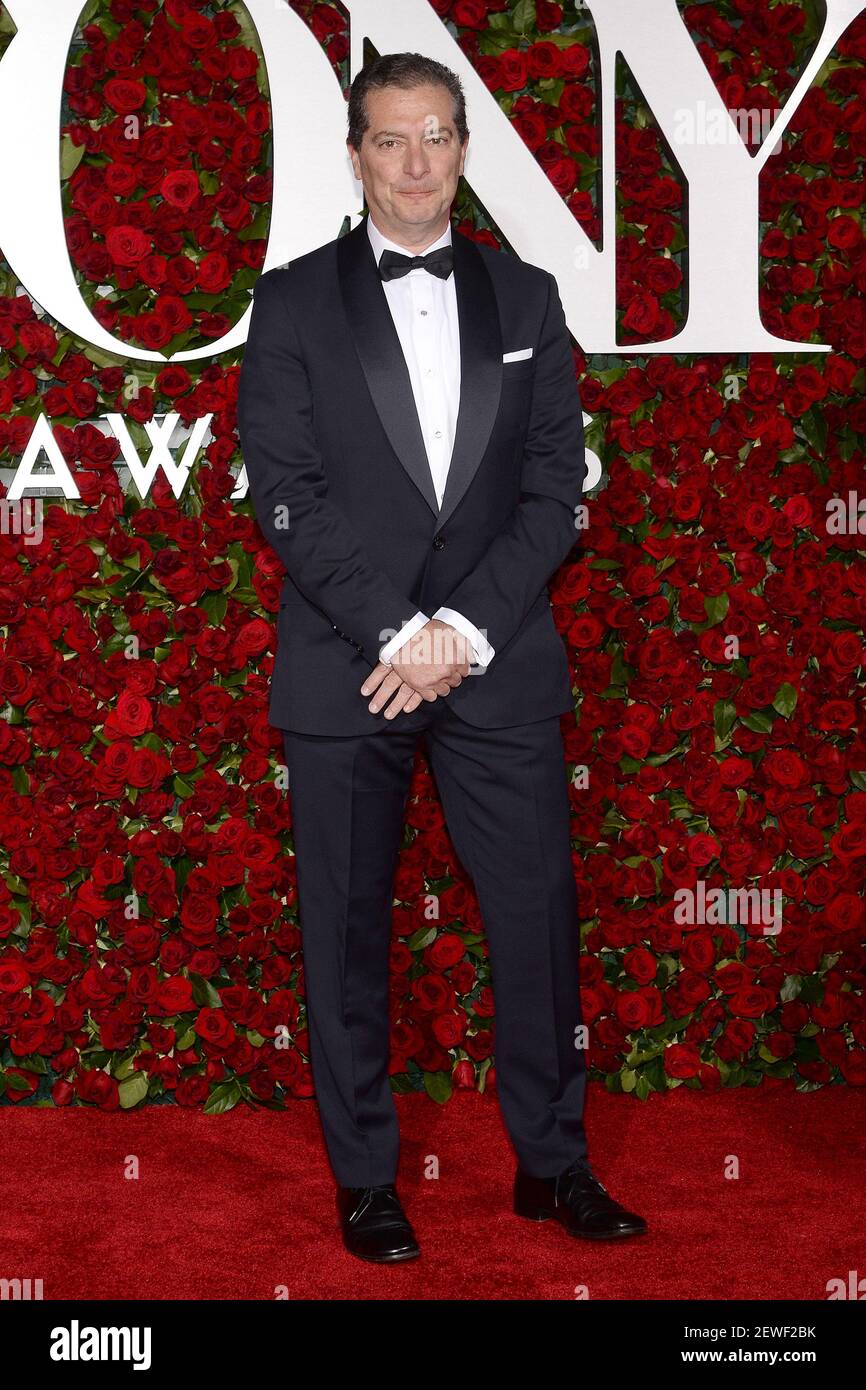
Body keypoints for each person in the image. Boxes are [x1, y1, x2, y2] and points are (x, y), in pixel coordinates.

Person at [237, 50, 646, 1263]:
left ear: (464, 148)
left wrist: (456, 634)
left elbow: (551, 492)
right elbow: (288, 494)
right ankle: (366, 1179)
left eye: (437, 137)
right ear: (355, 155)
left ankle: (552, 1164)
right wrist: (392, 635)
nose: (416, 162)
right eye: (391, 140)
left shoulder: (525, 300)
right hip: (344, 664)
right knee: (346, 936)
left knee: (536, 924)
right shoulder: (294, 300)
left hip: (498, 660)